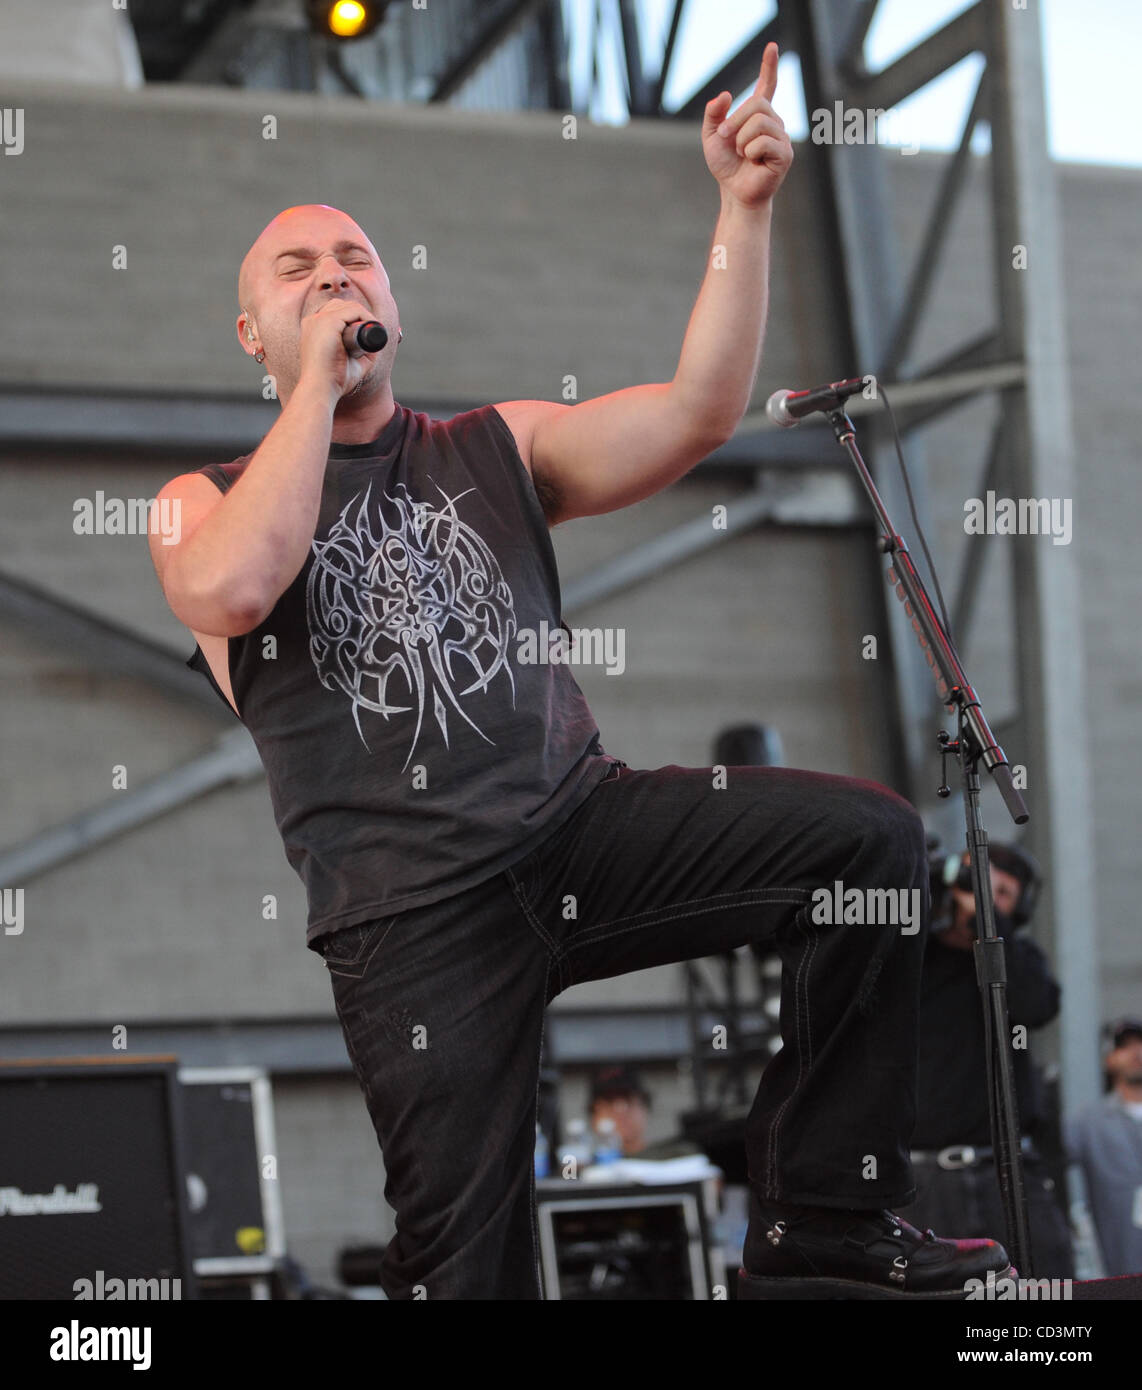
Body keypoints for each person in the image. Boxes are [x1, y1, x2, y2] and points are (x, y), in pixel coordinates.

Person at [149, 43, 1011, 1300]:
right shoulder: (199, 501)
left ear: (396, 297)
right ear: (252, 330)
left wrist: (741, 211)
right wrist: (311, 393)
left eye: (355, 260)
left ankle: (821, 1210)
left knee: (867, 846)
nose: (334, 274)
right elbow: (233, 588)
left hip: (578, 827)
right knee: (465, 1271)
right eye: (299, 269)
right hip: (411, 919)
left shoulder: (494, 443)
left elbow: (693, 414)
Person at [899, 843, 1074, 1277]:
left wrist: (986, 922)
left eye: (1003, 894)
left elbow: (1038, 1005)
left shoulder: (1020, 959)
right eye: (978, 885)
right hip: (927, 1182)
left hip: (1010, 1174)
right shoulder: (915, 957)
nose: (988, 898)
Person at [1066, 1019, 1142, 1276]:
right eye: (1125, 1046)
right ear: (1108, 1059)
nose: (1137, 1052)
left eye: (1141, 1044)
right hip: (1121, 1263)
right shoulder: (1088, 1121)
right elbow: (1050, 1163)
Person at [587, 1065, 699, 1160]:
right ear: (594, 1116)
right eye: (609, 1104)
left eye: (629, 1102)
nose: (620, 1113)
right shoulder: (580, 1166)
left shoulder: (677, 1158)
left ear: (645, 1107)